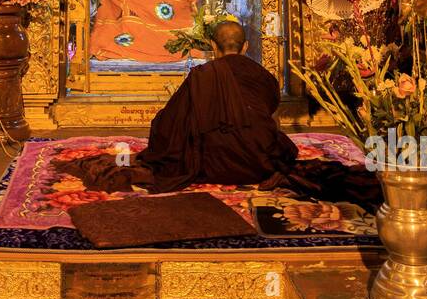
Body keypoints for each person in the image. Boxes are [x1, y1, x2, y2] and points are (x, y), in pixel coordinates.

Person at [67, 21, 380, 204]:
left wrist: (163, 145)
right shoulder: (263, 76)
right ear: (244, 48)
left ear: (212, 47)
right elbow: (269, 124)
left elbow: (167, 124)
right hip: (258, 164)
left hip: (208, 165)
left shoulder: (203, 75)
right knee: (284, 146)